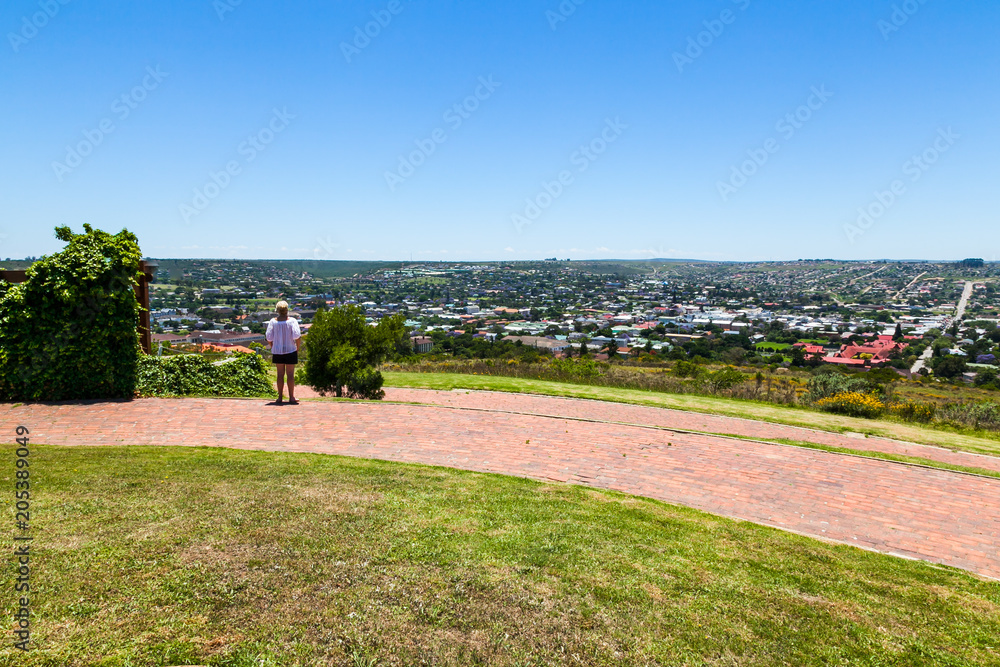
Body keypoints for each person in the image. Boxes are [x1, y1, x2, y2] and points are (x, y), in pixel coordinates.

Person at [265, 301, 302, 405]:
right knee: (290, 375)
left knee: (280, 374)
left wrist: (273, 346)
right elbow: (297, 336)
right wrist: (297, 348)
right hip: (290, 350)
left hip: (277, 351)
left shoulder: (273, 321)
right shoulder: (292, 321)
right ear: (287, 310)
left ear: (277, 310)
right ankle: (291, 397)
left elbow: (269, 337)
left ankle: (280, 397)